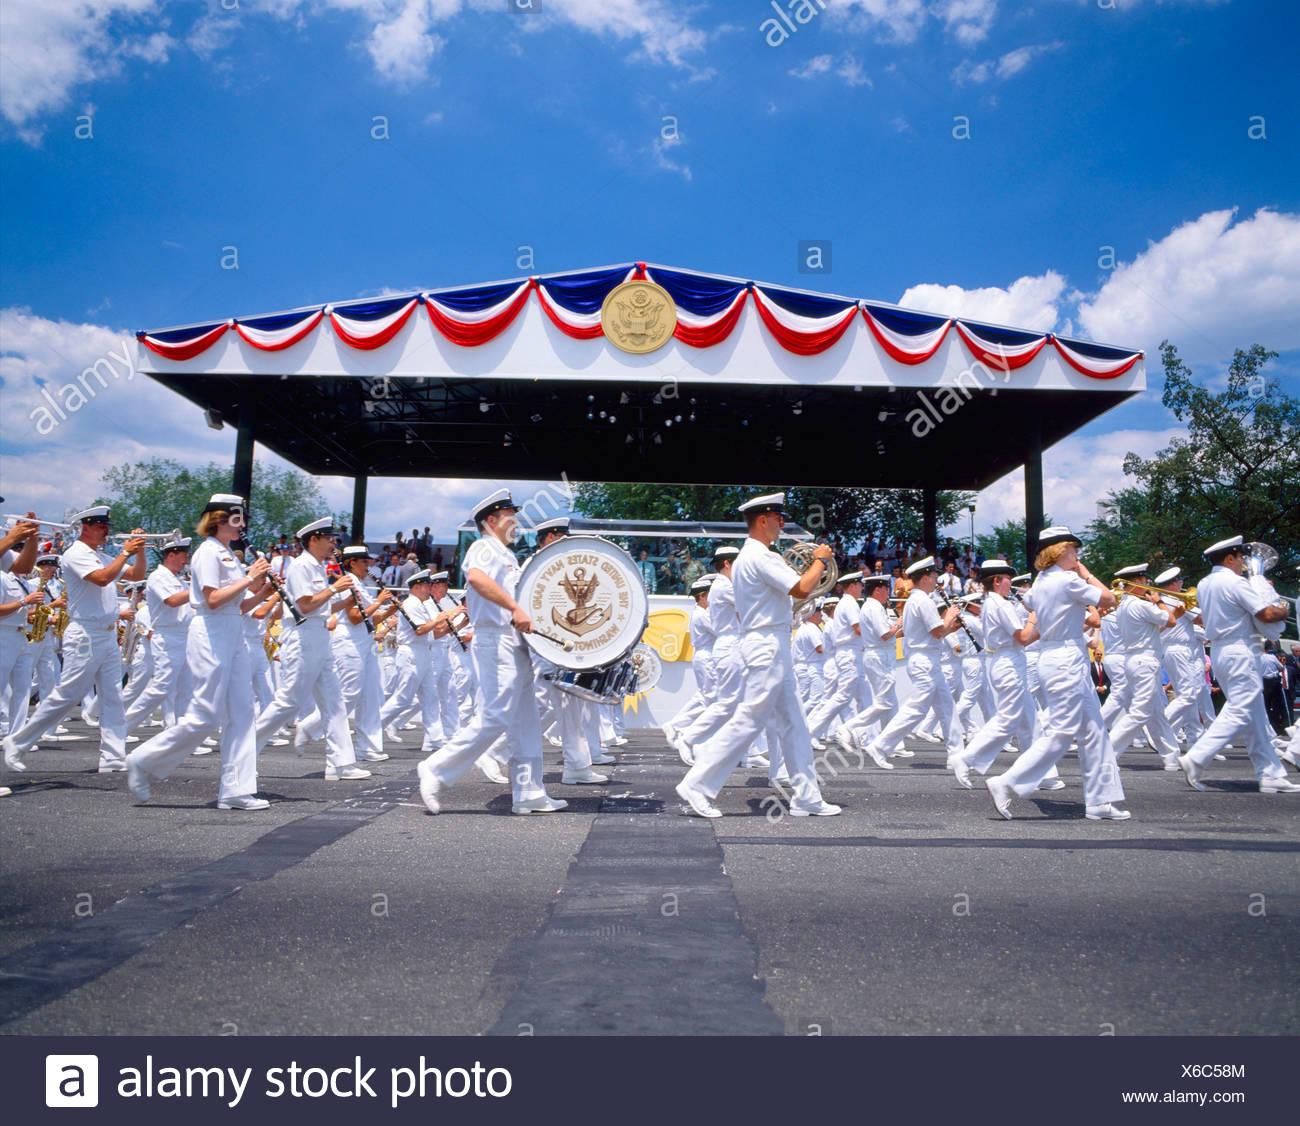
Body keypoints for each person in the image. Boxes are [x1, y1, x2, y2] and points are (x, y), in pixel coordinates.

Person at [675, 493, 840, 818]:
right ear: (762, 520)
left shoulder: (757, 557)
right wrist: (819, 559)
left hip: (772, 642)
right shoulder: (760, 556)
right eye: (778, 518)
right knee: (749, 720)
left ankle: (807, 796)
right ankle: (697, 784)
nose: (782, 523)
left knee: (794, 724)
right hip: (766, 645)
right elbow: (803, 588)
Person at [417, 489, 566, 815]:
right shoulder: (484, 548)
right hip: (495, 641)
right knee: (495, 715)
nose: (516, 523)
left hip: (513, 643)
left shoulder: (507, 556)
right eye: (510, 517)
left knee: (526, 721)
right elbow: (477, 578)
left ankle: (529, 792)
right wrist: (514, 606)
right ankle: (436, 767)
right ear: (492, 520)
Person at [125, 495, 273, 809]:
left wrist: (262, 590)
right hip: (211, 632)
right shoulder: (207, 552)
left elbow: (239, 606)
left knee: (244, 712)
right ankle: (142, 760)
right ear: (219, 520)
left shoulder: (229, 555)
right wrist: (250, 577)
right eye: (237, 518)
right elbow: (213, 599)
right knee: (205, 715)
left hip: (231, 630)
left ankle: (235, 790)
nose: (242, 524)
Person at [985, 526, 1130, 821]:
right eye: (1073, 549)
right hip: (1067, 658)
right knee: (1063, 732)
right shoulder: (1067, 581)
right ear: (1059, 551)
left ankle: (1101, 800)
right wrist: (1085, 573)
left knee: (1094, 731)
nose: (1077, 554)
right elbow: (1108, 600)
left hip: (1056, 656)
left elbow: (1031, 605)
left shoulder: (1040, 584)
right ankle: (1007, 781)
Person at [4, 507, 146, 775]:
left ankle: (113, 756)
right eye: (101, 525)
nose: (107, 530)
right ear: (86, 527)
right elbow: (103, 579)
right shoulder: (77, 554)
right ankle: (19, 740)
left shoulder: (101, 555)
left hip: (104, 632)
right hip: (85, 633)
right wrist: (126, 552)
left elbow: (136, 576)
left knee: (113, 695)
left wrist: (139, 552)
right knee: (68, 694)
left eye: (106, 525)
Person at [254, 518, 371, 781]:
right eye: (328, 538)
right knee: (289, 701)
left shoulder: (317, 567)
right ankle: (244, 751)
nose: (333, 543)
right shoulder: (300, 566)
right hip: (303, 637)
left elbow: (321, 608)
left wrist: (345, 601)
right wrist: (334, 588)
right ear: (313, 540)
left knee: (335, 702)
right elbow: (304, 606)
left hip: (319, 635)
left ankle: (340, 764)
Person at [1179, 536, 1297, 793]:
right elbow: (1265, 614)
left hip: (1221, 651)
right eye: (1241, 557)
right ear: (1230, 557)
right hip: (1241, 650)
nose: (1244, 562)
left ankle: (1271, 774)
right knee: (1241, 710)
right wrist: (1284, 609)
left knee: (1254, 717)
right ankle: (1197, 756)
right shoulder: (1235, 583)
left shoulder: (1204, 583)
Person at [949, 563, 1059, 790]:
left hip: (1009, 660)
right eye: (1008, 578)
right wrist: (1035, 618)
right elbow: (1023, 637)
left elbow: (1025, 638)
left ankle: (1040, 773)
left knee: (1032, 720)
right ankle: (966, 758)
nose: (1012, 583)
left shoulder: (995, 602)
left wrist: (1046, 625)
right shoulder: (1000, 604)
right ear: (997, 580)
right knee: (1007, 721)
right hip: (1008, 662)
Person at [296, 545, 396, 763]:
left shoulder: (361, 584)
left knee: (371, 698)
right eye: (363, 561)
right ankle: (309, 726)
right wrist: (379, 602)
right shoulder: (348, 584)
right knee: (348, 694)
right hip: (349, 643)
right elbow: (354, 617)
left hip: (364, 643)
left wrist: (389, 610)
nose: (368, 565)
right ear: (351, 563)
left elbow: (372, 619)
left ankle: (368, 747)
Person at [863, 556, 963, 764]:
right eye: (934, 576)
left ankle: (956, 755)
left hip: (926, 659)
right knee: (917, 709)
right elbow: (936, 632)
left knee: (947, 707)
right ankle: (880, 745)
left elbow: (932, 632)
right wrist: (950, 615)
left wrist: (950, 627)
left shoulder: (914, 601)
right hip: (924, 661)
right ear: (925, 578)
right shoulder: (923, 601)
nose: (936, 581)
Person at [124, 537, 193, 735]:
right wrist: (199, 588)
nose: (185, 561)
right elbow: (171, 601)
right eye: (183, 556)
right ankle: (120, 727)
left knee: (185, 690)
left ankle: (179, 736)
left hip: (182, 636)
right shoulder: (158, 576)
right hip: (167, 636)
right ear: (171, 555)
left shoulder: (177, 579)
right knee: (160, 688)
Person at [833, 574, 901, 762]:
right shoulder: (874, 607)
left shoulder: (875, 607)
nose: (889, 593)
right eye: (887, 589)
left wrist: (901, 628)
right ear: (878, 589)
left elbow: (890, 634)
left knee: (890, 702)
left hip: (881, 654)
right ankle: (849, 728)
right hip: (878, 655)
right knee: (884, 702)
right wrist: (898, 624)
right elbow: (884, 634)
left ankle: (891, 744)